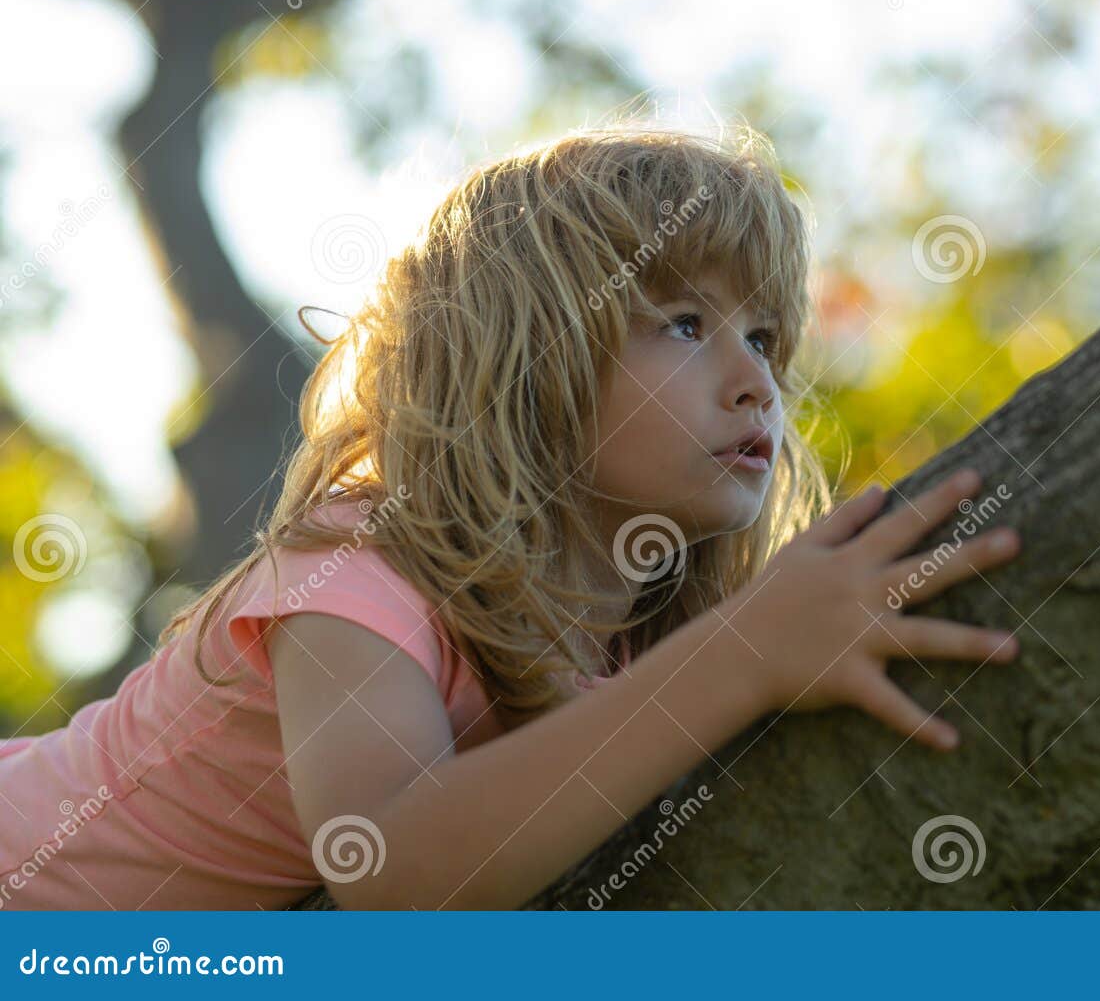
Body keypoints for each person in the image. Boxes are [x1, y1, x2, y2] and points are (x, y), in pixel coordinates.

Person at [0, 119, 1023, 910]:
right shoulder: (358, 569)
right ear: (523, 364)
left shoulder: (626, 650)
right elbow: (394, 874)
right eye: (681, 322)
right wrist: (747, 653)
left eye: (764, 336)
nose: (756, 377)